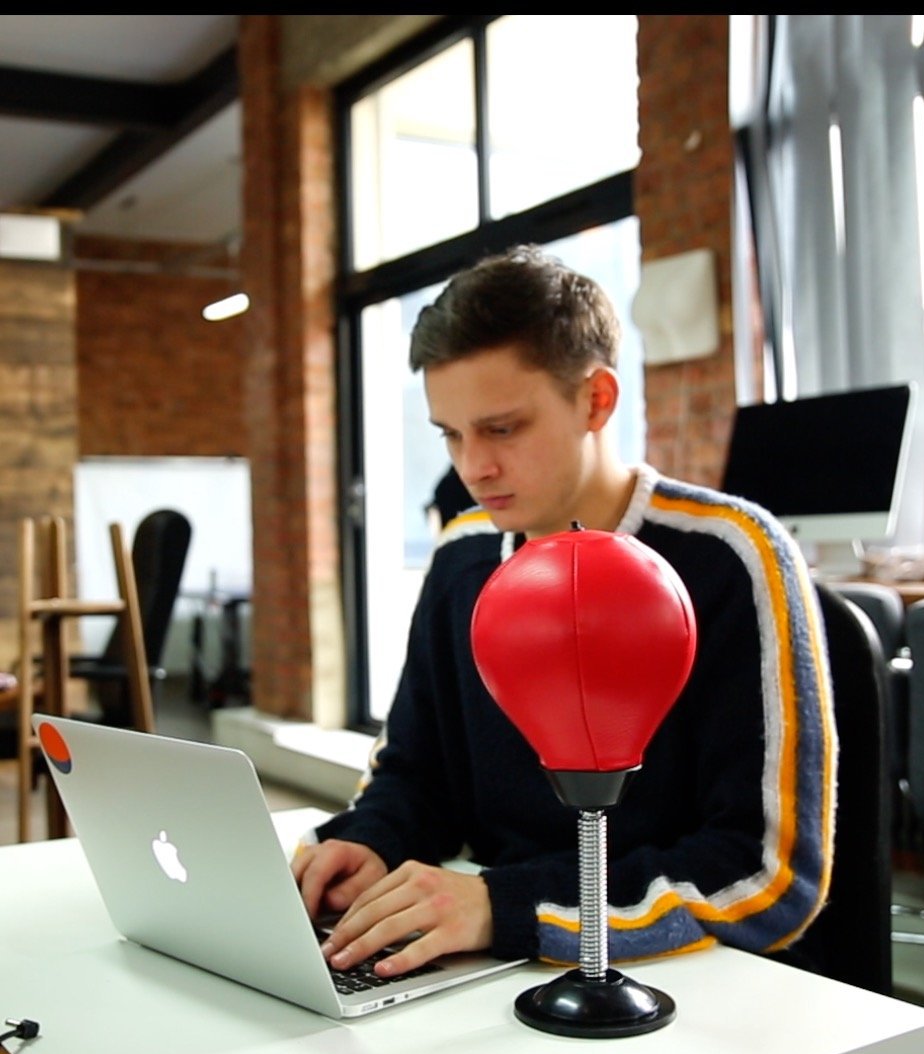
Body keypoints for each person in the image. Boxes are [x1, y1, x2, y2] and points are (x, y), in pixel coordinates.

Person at [292, 245, 837, 981]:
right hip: (503, 959)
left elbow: (767, 876)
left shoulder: (732, 556)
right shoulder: (463, 556)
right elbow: (416, 775)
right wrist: (369, 842)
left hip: (683, 978)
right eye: (450, 434)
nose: (471, 467)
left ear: (596, 400)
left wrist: (507, 906)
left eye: (502, 428)